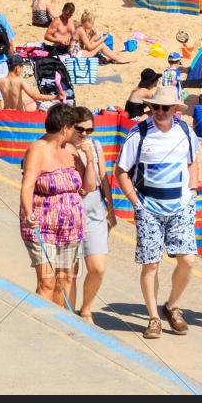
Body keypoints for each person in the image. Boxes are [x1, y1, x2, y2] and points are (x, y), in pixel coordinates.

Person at [114, 85, 201, 340]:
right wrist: (135, 202)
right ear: (150, 108)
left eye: (165, 107)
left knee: (188, 260)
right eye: (155, 107)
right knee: (151, 264)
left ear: (175, 109)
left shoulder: (186, 131)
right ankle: (154, 318)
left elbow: (192, 161)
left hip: (182, 205)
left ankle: (171, 305)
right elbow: (121, 171)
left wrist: (193, 192)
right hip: (148, 208)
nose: (160, 112)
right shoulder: (138, 133)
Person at [18, 105, 97, 308]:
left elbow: (89, 186)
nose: (77, 133)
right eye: (74, 128)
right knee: (47, 282)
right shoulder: (37, 150)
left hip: (70, 228)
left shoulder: (70, 150)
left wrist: (89, 158)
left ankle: (58, 326)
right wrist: (28, 213)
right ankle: (42, 326)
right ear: (64, 128)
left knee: (63, 281)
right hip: (43, 227)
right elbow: (27, 186)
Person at [70, 106, 117, 323]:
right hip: (71, 212)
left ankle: (86, 308)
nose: (85, 134)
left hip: (95, 211)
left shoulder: (96, 146)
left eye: (90, 130)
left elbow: (104, 179)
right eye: (80, 129)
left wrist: (111, 210)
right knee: (71, 270)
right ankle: (68, 313)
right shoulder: (64, 148)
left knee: (97, 267)